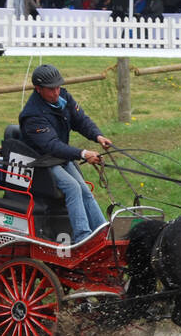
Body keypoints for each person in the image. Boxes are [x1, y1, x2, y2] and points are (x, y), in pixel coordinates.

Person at [18, 65, 114, 243]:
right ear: (38, 89)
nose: (56, 92)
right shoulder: (32, 116)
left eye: (58, 87)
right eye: (51, 89)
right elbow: (52, 145)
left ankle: (103, 232)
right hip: (41, 162)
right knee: (72, 187)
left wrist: (97, 135)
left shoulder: (63, 96)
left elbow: (80, 120)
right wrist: (83, 153)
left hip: (58, 158)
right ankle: (82, 236)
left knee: (85, 189)